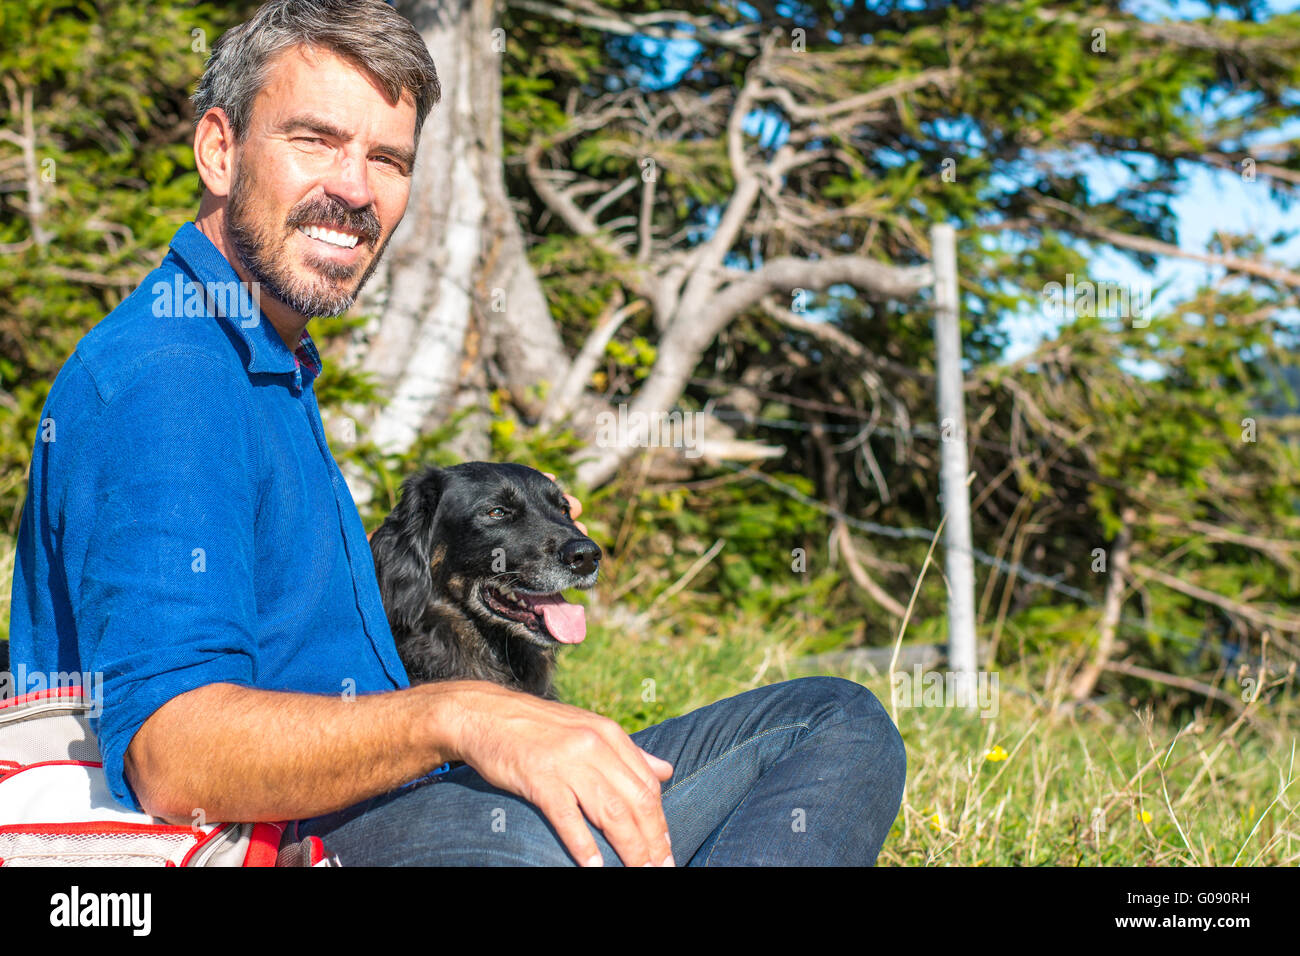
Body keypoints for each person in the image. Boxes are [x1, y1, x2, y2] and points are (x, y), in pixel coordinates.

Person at [6, 0, 906, 866]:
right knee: (530, 836)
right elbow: (177, 759)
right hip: (307, 840)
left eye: (388, 159)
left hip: (405, 798)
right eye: (314, 140)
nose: (353, 189)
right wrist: (464, 716)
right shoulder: (172, 375)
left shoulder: (264, 361)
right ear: (219, 148)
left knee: (832, 723)